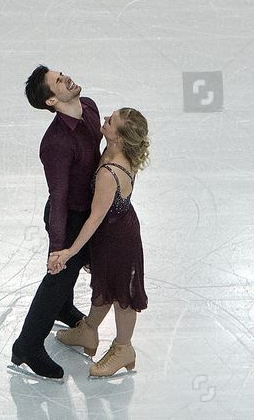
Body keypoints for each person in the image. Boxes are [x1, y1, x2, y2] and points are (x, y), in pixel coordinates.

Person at [10, 65, 102, 381]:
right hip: (67, 216)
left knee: (71, 272)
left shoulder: (89, 107)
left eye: (61, 73)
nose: (66, 78)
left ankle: (64, 308)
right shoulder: (55, 144)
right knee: (59, 276)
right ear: (51, 101)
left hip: (87, 210)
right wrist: (57, 250)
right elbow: (59, 197)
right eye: (58, 81)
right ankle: (27, 346)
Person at [49, 107, 150, 377]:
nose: (104, 120)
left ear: (118, 137)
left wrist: (69, 251)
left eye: (110, 121)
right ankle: (89, 332)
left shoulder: (110, 172)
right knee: (106, 287)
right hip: (113, 234)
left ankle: (124, 348)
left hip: (119, 241)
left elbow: (94, 220)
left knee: (123, 296)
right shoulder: (114, 148)